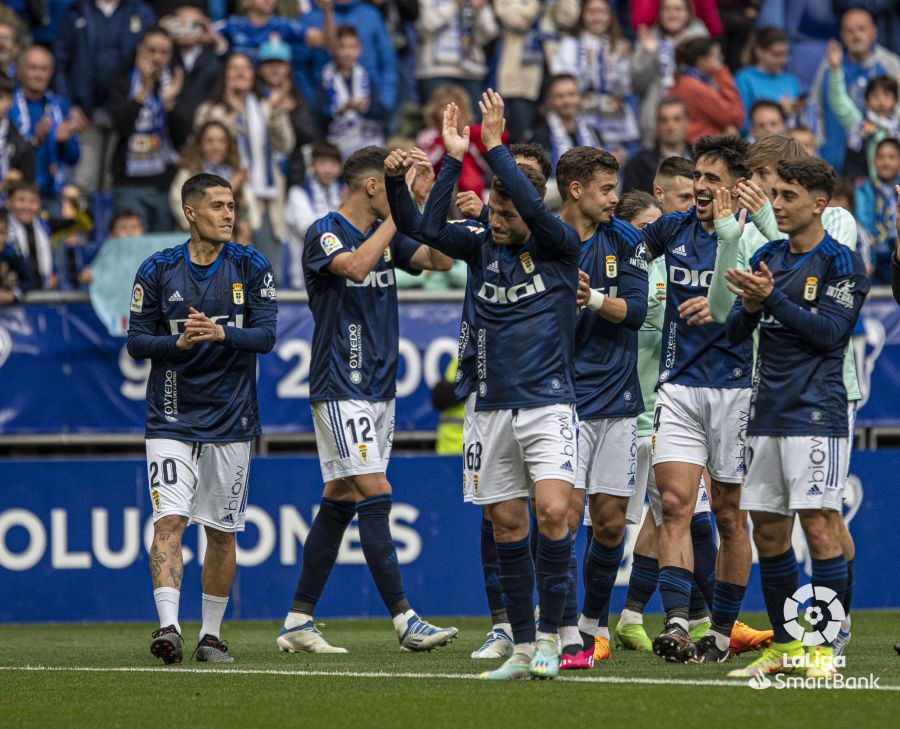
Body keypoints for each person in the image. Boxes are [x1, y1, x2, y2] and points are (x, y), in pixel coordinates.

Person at [394, 91, 581, 680]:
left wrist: (493, 147)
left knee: (553, 514)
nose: (495, 222)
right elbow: (421, 227)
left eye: (506, 214)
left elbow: (527, 200)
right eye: (493, 213)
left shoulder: (559, 246)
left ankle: (553, 637)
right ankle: (523, 648)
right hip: (490, 407)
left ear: (531, 209)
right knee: (506, 524)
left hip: (549, 403)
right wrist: (447, 161)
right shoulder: (479, 246)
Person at [277, 146, 458, 655]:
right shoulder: (325, 230)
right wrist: (401, 216)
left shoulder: (391, 229)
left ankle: (297, 620)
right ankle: (405, 619)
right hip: (341, 385)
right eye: (394, 184)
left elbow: (440, 258)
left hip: (380, 389)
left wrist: (423, 203)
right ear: (373, 186)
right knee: (376, 491)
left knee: (339, 499)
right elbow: (355, 267)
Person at [707, 134, 860, 659]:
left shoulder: (842, 258)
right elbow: (730, 333)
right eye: (775, 197)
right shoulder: (768, 252)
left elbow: (830, 335)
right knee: (770, 533)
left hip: (816, 411)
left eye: (786, 196)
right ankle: (790, 643)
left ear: (817, 203)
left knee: (819, 525)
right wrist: (749, 304)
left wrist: (770, 297)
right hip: (766, 409)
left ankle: (827, 645)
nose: (775, 204)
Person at [127, 172, 278, 665]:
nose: (229, 214)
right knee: (168, 520)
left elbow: (267, 336)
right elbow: (135, 341)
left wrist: (221, 334)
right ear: (190, 213)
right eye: (217, 205)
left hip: (231, 419)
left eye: (231, 204)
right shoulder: (158, 269)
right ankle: (169, 628)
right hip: (170, 415)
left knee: (222, 531)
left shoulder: (252, 265)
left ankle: (210, 636)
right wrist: (178, 343)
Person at [640, 135, 755, 665]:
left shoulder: (757, 237)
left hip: (736, 388)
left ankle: (723, 631)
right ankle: (679, 623)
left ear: (735, 185)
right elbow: (622, 248)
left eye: (711, 179)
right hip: (679, 385)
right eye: (698, 179)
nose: (702, 189)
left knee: (730, 517)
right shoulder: (672, 230)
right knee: (673, 506)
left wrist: (727, 310)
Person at [552, 147, 648, 669]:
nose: (615, 198)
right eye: (606, 189)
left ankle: (591, 623)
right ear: (575, 190)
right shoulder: (546, 239)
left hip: (616, 398)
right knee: (563, 518)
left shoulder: (626, 240)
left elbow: (636, 311)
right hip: (562, 398)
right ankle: (563, 628)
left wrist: (589, 300)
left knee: (609, 524)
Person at [195, 53, 295, 284]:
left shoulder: (264, 106)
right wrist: (232, 111)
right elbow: (204, 151)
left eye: (246, 68)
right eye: (234, 68)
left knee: (271, 276)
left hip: (267, 197)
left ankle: (270, 321)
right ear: (225, 74)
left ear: (253, 75)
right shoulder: (210, 110)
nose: (240, 73)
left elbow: (286, 145)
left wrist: (277, 113)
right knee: (230, 278)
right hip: (229, 199)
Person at [53, 0, 157, 195]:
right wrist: (69, 106)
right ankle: (83, 225)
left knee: (114, 183)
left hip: (127, 112)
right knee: (84, 180)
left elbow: (156, 54)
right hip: (84, 111)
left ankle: (110, 225)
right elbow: (60, 63)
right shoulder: (77, 11)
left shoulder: (141, 12)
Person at [107, 28, 183, 233]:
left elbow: (183, 138)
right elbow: (121, 126)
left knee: (162, 257)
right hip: (128, 184)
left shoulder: (175, 86)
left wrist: (169, 104)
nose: (157, 58)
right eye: (151, 50)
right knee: (133, 254)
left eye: (164, 52)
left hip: (164, 185)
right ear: (140, 50)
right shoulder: (123, 84)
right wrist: (143, 92)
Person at [811, 8, 900, 172]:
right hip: (833, 156)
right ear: (841, 34)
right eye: (849, 31)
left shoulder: (890, 63)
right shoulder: (829, 64)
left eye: (861, 29)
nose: (856, 35)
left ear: (874, 31)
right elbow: (818, 107)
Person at [551, 0, 639, 160]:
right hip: (584, 113)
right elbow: (563, 83)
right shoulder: (571, 43)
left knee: (615, 160)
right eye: (592, 12)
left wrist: (619, 65)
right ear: (582, 15)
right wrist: (588, 66)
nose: (597, 17)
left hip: (614, 117)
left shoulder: (619, 44)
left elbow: (626, 88)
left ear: (610, 15)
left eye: (602, 12)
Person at [629, 0, 708, 148]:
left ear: (688, 13)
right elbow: (637, 84)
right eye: (667, 9)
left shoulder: (701, 41)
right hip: (656, 121)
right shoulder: (648, 38)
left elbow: (711, 81)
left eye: (678, 9)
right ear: (659, 13)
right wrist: (650, 54)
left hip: (694, 122)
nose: (672, 14)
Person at [10, 46, 80, 205]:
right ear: (20, 70)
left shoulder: (61, 106)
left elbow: (74, 158)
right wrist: (35, 140)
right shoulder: (9, 107)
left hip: (53, 194)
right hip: (18, 196)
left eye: (44, 69)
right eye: (33, 68)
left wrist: (65, 142)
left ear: (51, 73)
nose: (38, 75)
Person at [826, 39, 900, 183]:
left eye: (887, 96)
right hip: (862, 190)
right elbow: (838, 100)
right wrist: (835, 70)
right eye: (875, 96)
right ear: (866, 100)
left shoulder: (897, 128)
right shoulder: (859, 123)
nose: (881, 101)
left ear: (895, 101)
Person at [414, 0, 499, 111]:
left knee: (471, 124)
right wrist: (453, 4)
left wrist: (480, 10)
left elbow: (489, 33)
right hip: (436, 71)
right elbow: (425, 25)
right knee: (439, 123)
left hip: (471, 72)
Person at [321, 25, 387, 160]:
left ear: (360, 50)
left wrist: (365, 107)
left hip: (368, 141)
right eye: (342, 47)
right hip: (339, 144)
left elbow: (380, 111)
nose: (347, 52)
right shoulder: (326, 78)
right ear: (333, 49)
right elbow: (319, 113)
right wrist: (341, 110)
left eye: (352, 47)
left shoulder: (366, 76)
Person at [162, 5, 223, 150]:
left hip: (207, 136)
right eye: (180, 24)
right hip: (169, 135)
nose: (185, 30)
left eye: (193, 25)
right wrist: (160, 31)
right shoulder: (164, 55)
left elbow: (235, 64)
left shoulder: (214, 58)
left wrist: (214, 38)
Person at [285, 142, 345, 289]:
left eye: (333, 164)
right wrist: (343, 210)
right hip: (304, 277)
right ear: (312, 165)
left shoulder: (345, 191)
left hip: (339, 275)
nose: (328, 169)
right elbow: (307, 229)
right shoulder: (297, 193)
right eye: (323, 163)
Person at [169, 121, 248, 232]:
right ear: (200, 144)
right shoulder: (187, 174)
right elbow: (182, 209)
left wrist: (243, 226)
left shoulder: (236, 171)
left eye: (221, 141)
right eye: (209, 141)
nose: (215, 146)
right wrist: (229, 189)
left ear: (228, 145)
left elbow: (247, 212)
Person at [669, 37, 744, 142]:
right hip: (701, 148)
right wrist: (722, 73)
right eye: (717, 58)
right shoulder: (695, 87)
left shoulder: (686, 81)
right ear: (701, 61)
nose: (720, 63)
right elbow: (736, 117)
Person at [212, 0, 335, 61]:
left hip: (273, 91)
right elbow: (206, 32)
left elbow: (325, 42)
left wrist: (327, 11)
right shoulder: (232, 24)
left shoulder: (283, 25)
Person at [493, 0, 546, 142]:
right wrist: (537, 3)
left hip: (552, 72)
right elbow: (516, 21)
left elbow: (568, 18)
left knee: (546, 138)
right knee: (517, 138)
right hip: (521, 79)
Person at [734, 27, 801, 137]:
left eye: (785, 54)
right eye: (776, 54)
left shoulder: (791, 80)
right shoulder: (744, 79)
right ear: (759, 52)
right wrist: (776, 112)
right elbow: (742, 121)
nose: (782, 60)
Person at [621, 98, 691, 194]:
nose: (670, 126)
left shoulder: (700, 159)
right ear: (657, 125)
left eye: (677, 119)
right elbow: (629, 204)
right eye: (664, 120)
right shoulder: (638, 165)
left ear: (687, 123)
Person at [855, 137, 900, 284]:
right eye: (881, 157)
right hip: (873, 254)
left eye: (891, 157)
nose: (886, 162)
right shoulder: (863, 189)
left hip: (897, 252)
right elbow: (860, 218)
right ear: (874, 161)